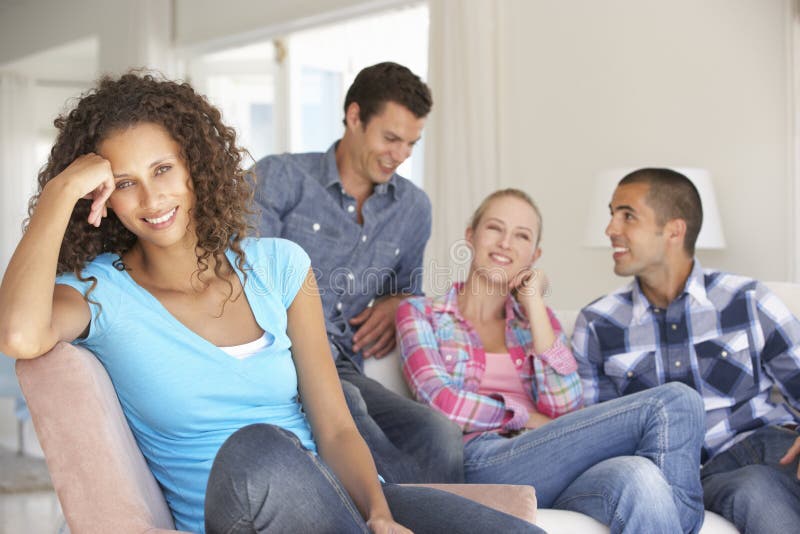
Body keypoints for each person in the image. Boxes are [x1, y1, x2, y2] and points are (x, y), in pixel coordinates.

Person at [0, 73, 543, 534]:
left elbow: (335, 426)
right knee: (257, 452)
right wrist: (58, 194)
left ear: (193, 166)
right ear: (102, 197)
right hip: (250, 504)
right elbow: (19, 335)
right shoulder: (100, 291)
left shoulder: (280, 265)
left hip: (338, 504)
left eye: (162, 169)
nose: (151, 198)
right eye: (124, 183)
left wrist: (379, 516)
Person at [396, 188, 707, 534]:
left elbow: (565, 405)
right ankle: (687, 523)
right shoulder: (421, 313)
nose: (505, 243)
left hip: (551, 461)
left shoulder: (537, 322)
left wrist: (533, 305)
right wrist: (525, 416)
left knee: (641, 477)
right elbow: (443, 403)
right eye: (495, 228)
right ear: (471, 235)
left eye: (522, 236)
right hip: (481, 459)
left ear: (535, 254)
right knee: (675, 402)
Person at [253, 61, 463, 483]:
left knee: (438, 434)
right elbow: (240, 277)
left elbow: (407, 291)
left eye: (411, 144)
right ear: (354, 117)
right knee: (348, 407)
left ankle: (426, 510)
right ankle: (400, 510)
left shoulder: (413, 208)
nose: (400, 155)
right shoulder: (281, 177)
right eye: (391, 138)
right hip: (278, 361)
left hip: (343, 365)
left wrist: (398, 302)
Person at [572, 167, 800, 534]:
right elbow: (600, 436)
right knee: (755, 492)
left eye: (627, 215)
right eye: (612, 214)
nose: (610, 229)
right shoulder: (599, 323)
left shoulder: (747, 299)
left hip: (771, 445)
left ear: (674, 231)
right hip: (698, 476)